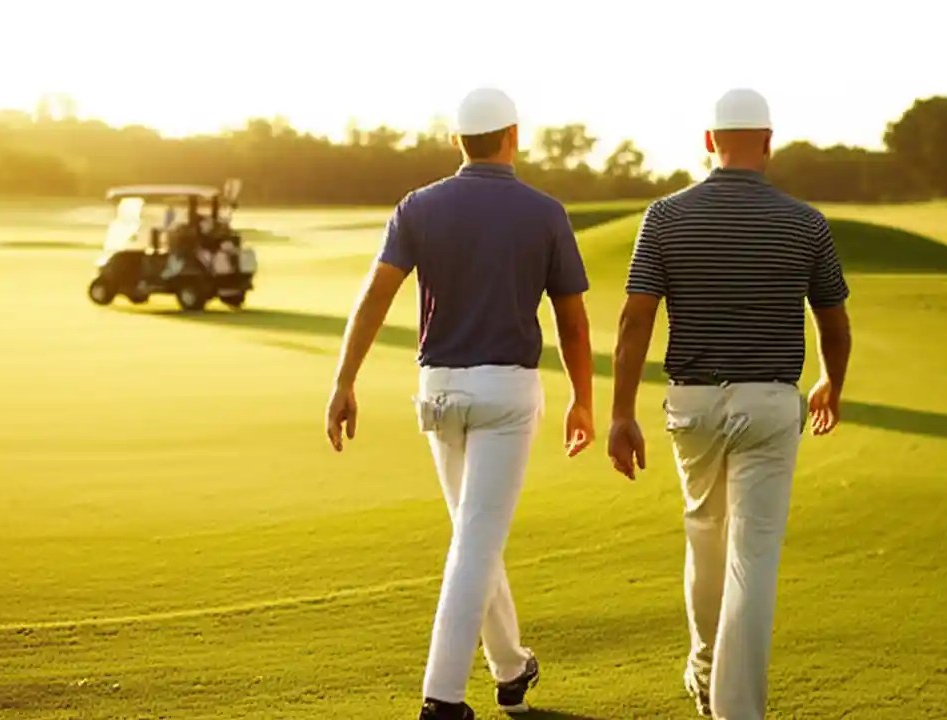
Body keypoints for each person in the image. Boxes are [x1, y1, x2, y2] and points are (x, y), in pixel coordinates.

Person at [324, 87, 596, 720]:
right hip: (506, 394)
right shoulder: (546, 211)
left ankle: (510, 668)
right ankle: (441, 700)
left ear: (457, 142)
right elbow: (575, 325)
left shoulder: (418, 206)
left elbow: (374, 297)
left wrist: (344, 381)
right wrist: (583, 399)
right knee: (476, 538)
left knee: (476, 532)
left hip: (439, 393)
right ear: (513, 137)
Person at [607, 88, 853, 720]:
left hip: (692, 405)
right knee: (754, 559)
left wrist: (620, 413)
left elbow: (635, 320)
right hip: (770, 404)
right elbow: (835, 322)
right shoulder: (806, 222)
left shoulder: (664, 215)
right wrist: (832, 380)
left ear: (709, 143)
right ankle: (735, 709)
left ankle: (706, 672)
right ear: (768, 144)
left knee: (705, 541)